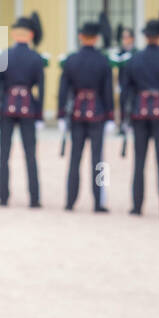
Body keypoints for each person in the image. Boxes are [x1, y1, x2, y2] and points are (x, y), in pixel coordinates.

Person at [121, 18, 159, 217]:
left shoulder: (134, 59)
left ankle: (137, 205)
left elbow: (126, 90)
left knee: (139, 162)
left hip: (139, 112)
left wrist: (125, 116)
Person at [0, 12, 46, 208]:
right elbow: (41, 88)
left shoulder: (4, 55)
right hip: (28, 107)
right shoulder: (36, 58)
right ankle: (34, 197)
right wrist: (39, 114)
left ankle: (3, 196)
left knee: (4, 155)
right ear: (30, 35)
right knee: (30, 154)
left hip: (7, 107)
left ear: (14, 34)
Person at [58, 21, 115, 212]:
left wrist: (60, 114)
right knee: (99, 160)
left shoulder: (71, 60)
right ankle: (99, 201)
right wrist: (110, 116)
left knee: (75, 158)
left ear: (81, 36)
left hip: (76, 112)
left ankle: (70, 200)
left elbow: (63, 89)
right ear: (96, 38)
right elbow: (108, 91)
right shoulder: (103, 60)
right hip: (97, 111)